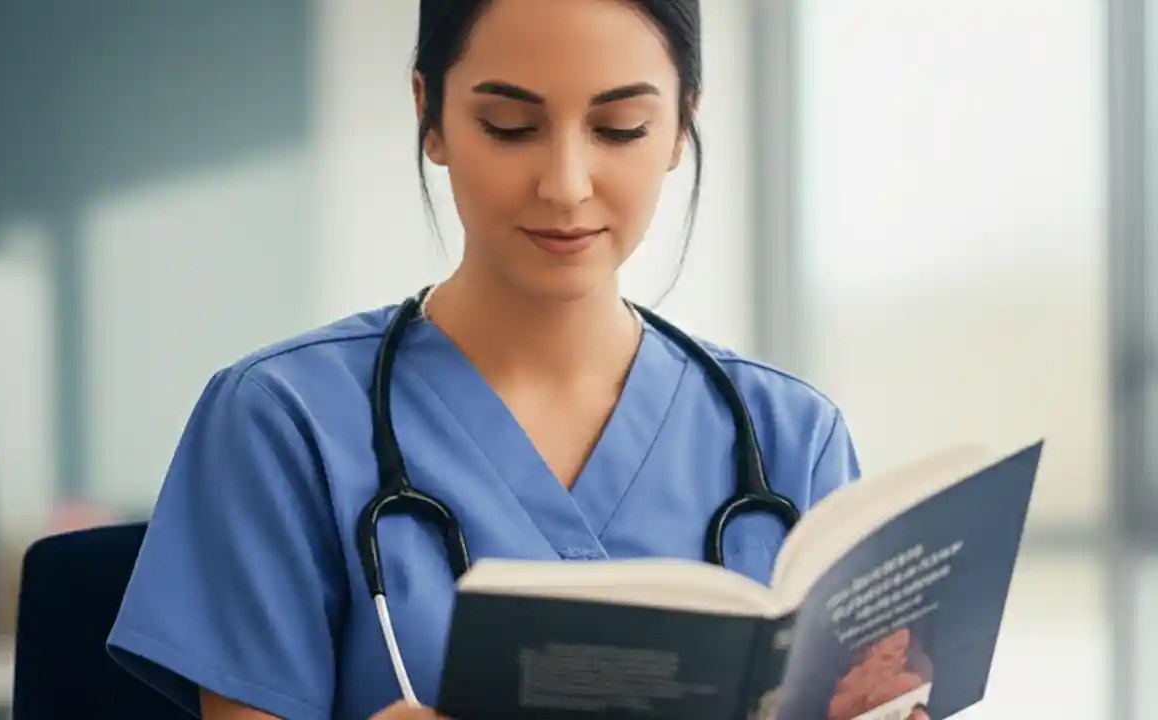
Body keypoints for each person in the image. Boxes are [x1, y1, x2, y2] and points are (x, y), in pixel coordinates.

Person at [105, 1, 865, 718]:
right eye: (509, 127)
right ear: (429, 113)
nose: (565, 186)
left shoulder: (794, 440)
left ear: (680, 126)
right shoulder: (283, 421)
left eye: (620, 128)